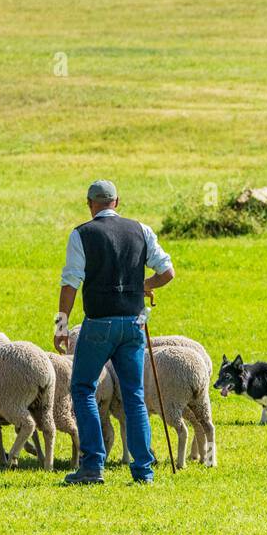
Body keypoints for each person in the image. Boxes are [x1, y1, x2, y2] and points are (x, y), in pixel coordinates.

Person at [55, 180, 174, 485]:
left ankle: (93, 465)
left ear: (89, 203)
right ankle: (144, 470)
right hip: (133, 324)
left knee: (82, 388)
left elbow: (71, 282)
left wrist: (61, 325)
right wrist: (142, 286)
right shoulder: (141, 230)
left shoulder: (82, 233)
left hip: (98, 325)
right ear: (117, 202)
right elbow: (167, 272)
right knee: (134, 394)